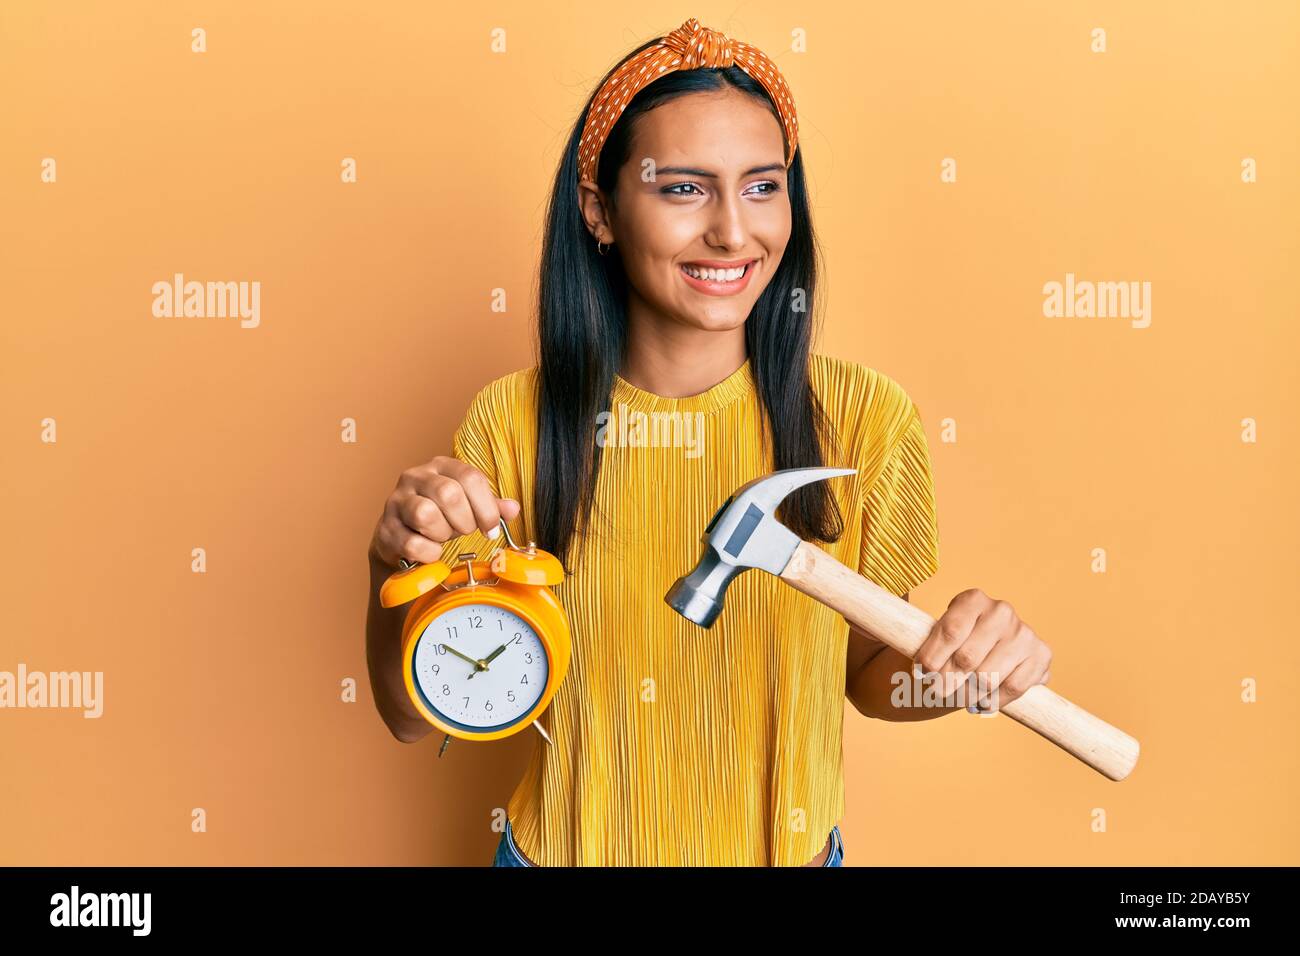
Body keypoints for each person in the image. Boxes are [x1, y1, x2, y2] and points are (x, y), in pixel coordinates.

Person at [365, 17, 1052, 867]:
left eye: (763, 187)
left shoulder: (863, 417)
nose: (734, 232)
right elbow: (407, 714)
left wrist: (956, 669)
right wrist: (389, 565)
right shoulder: (512, 425)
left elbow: (873, 679)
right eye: (684, 189)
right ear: (601, 212)